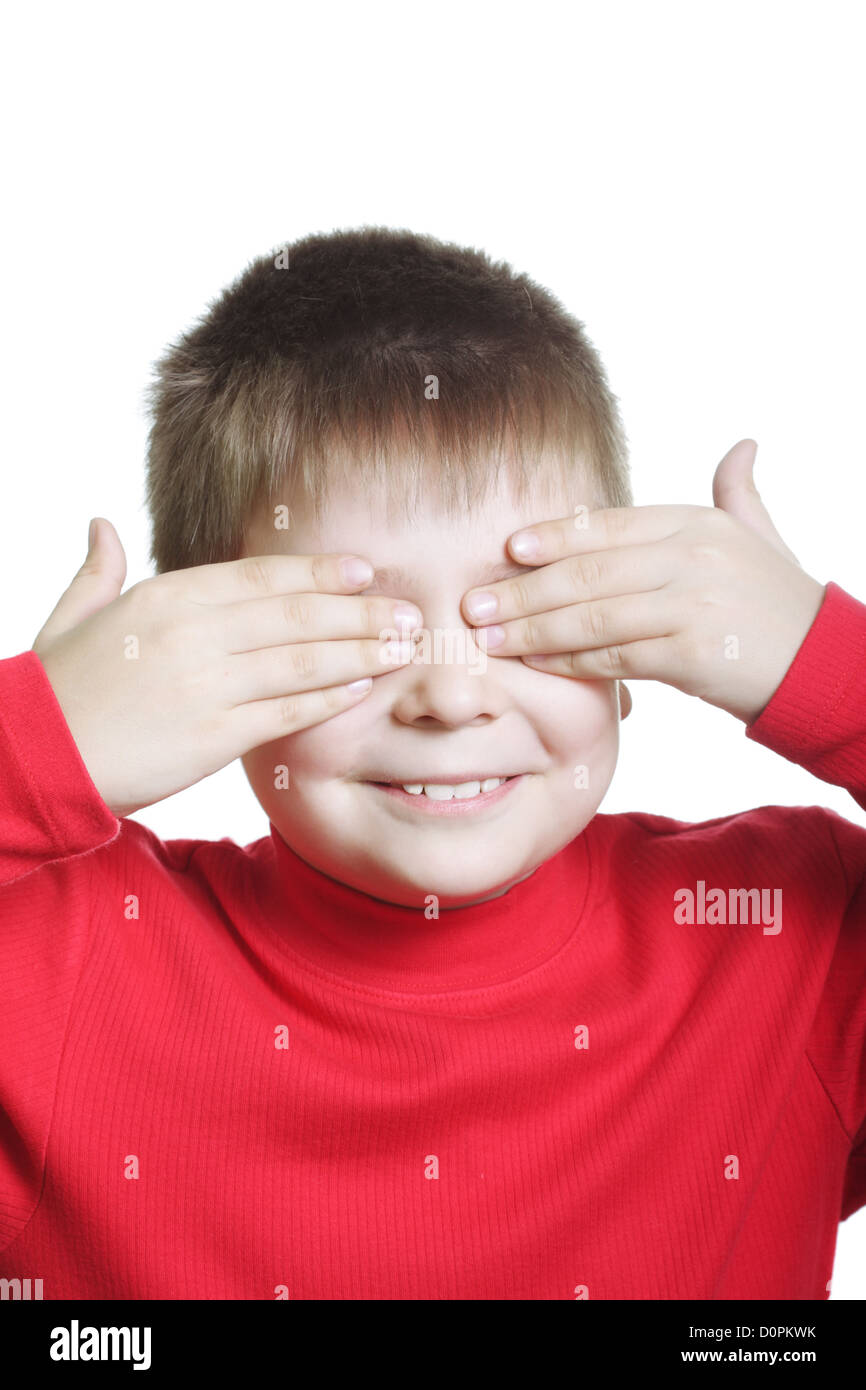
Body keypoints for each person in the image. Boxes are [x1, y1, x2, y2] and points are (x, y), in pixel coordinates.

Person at [1, 227, 863, 1299]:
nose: (452, 696)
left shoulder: (786, 934)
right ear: (201, 667)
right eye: (356, 628)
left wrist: (826, 663)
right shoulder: (57, 962)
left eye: (529, 612)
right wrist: (36, 741)